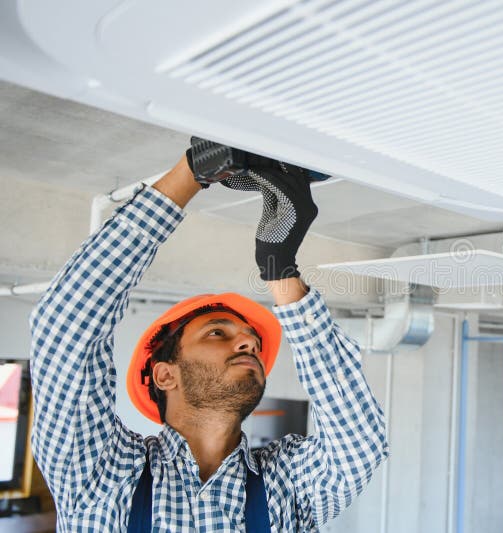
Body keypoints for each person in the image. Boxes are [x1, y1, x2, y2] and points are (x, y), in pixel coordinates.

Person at [29, 143, 388, 531]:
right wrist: (280, 270)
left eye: (247, 339)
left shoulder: (285, 483)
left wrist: (193, 174)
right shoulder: (102, 475)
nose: (249, 344)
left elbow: (66, 327)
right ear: (165, 374)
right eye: (219, 332)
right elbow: (65, 330)